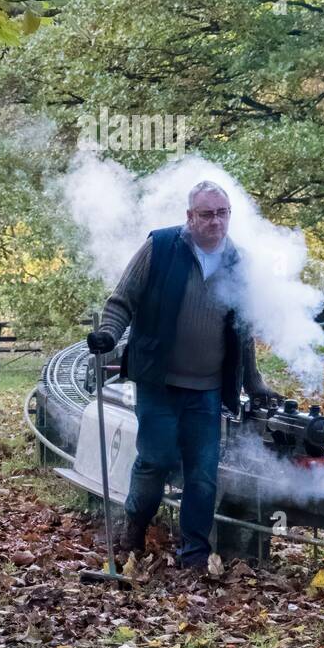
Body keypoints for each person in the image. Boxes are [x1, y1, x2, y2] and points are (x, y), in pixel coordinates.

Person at [86, 181, 279, 570]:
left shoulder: (236, 262)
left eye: (222, 213)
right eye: (206, 214)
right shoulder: (160, 248)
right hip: (158, 380)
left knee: (203, 473)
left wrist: (252, 381)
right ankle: (135, 528)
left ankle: (194, 554)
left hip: (207, 388)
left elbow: (242, 328)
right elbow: (123, 300)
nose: (215, 222)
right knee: (155, 459)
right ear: (189, 217)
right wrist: (108, 334)